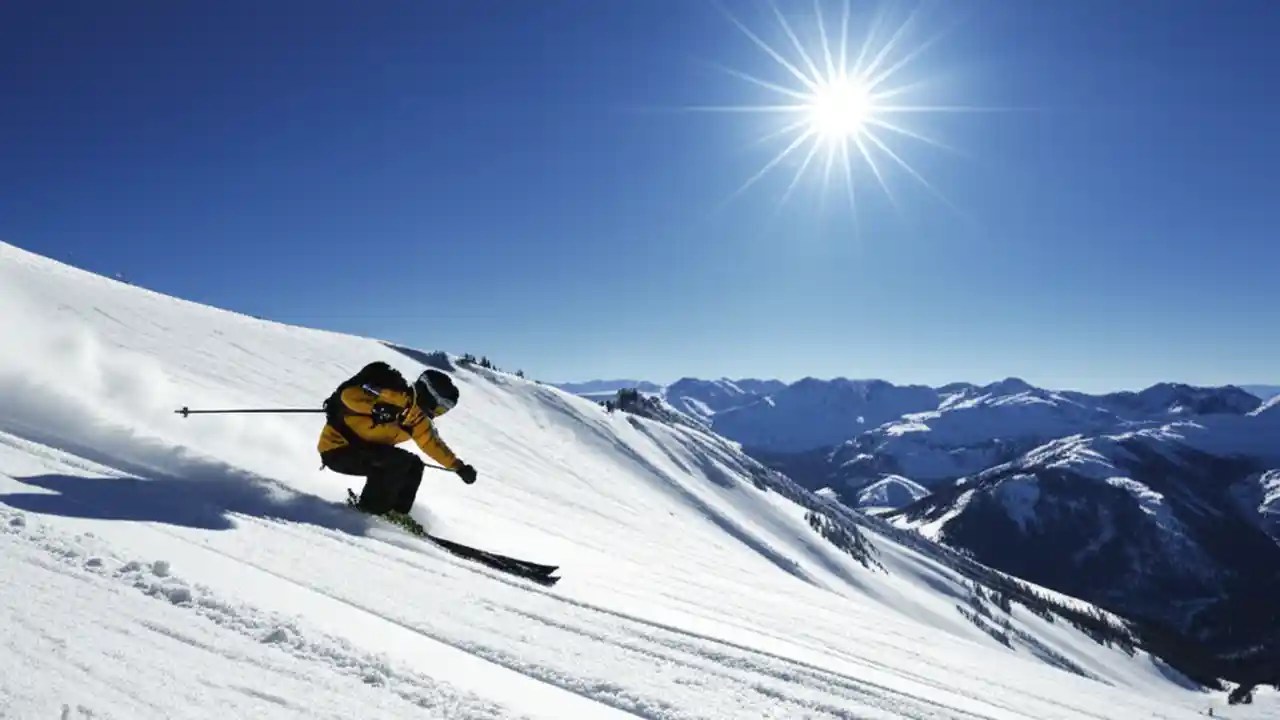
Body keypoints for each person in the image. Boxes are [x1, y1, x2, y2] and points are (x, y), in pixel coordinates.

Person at [318, 361, 477, 515]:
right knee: (396, 462)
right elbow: (348, 396)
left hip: (367, 453)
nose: (438, 413)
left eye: (445, 409)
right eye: (441, 407)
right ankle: (370, 510)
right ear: (430, 395)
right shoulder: (394, 396)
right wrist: (376, 408)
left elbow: (432, 444)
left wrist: (459, 467)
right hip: (337, 450)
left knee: (414, 465)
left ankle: (397, 513)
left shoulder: (418, 420)